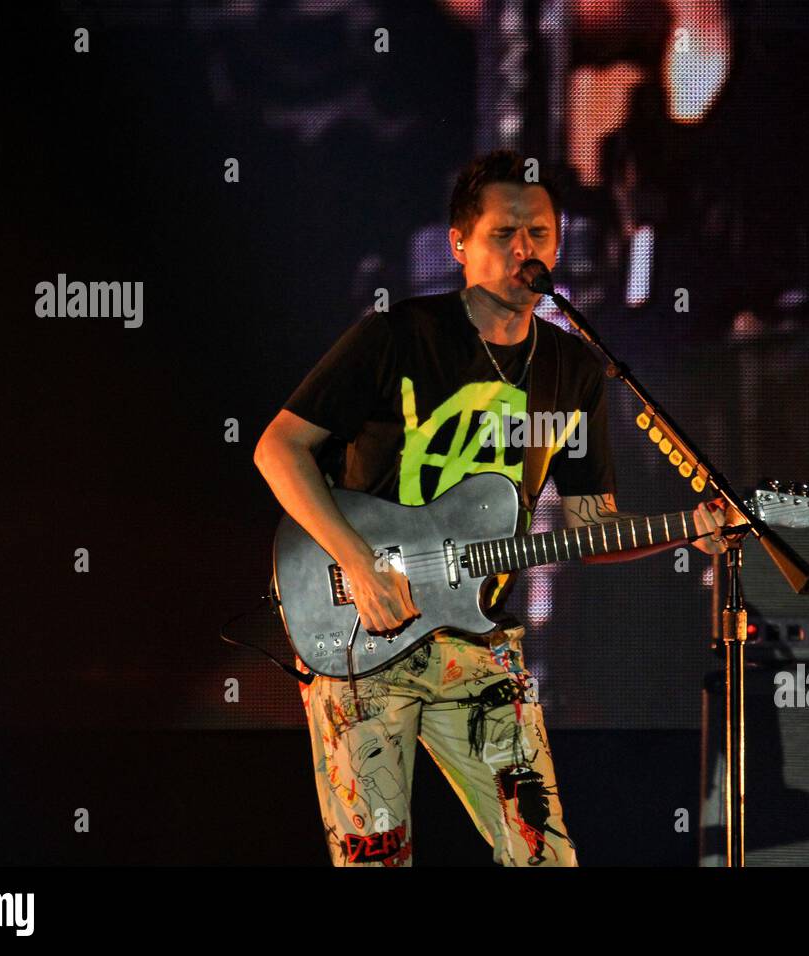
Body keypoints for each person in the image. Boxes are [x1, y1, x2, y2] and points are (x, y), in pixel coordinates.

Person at [253, 149, 733, 866]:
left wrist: (685, 532)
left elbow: (589, 531)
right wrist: (358, 563)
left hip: (479, 646)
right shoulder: (397, 336)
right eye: (503, 234)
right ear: (459, 246)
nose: (524, 248)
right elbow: (277, 449)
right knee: (374, 859)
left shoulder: (573, 369)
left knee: (544, 855)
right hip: (361, 637)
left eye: (538, 233)